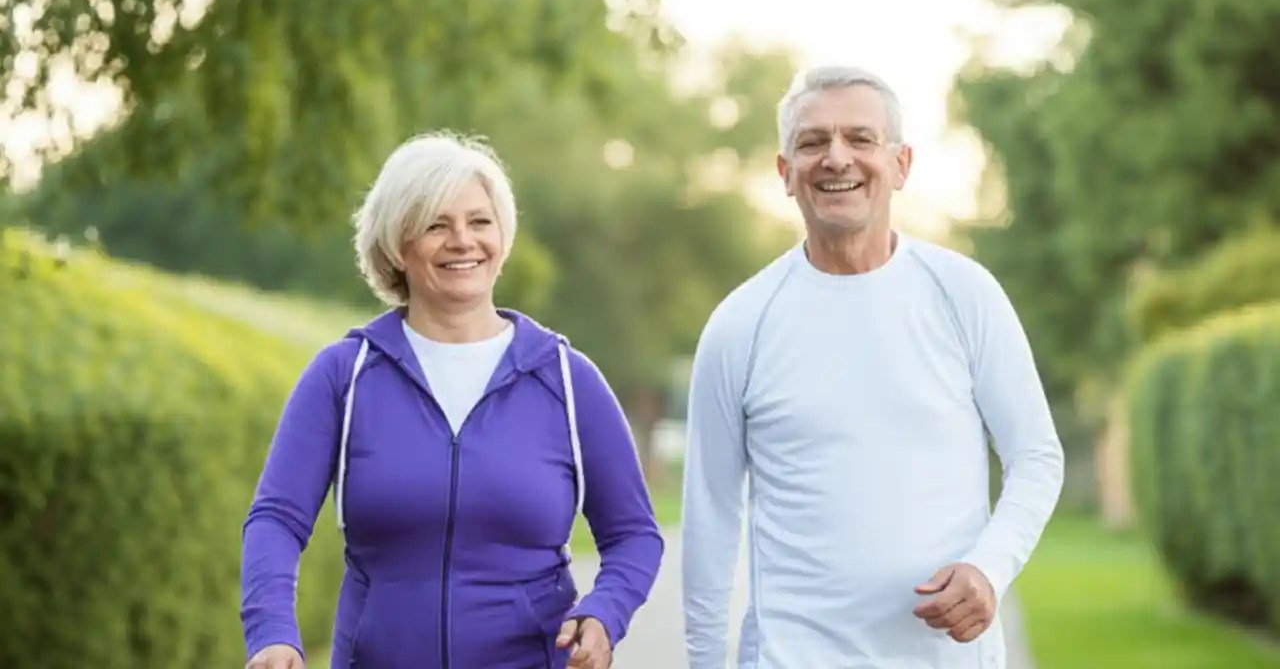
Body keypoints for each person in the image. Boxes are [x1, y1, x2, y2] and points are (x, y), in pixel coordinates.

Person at [680, 66, 1065, 668]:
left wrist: (989, 570)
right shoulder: (741, 325)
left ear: (901, 164)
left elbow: (1036, 456)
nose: (837, 159)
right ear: (785, 173)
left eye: (861, 139)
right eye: (812, 142)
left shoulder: (963, 294)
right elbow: (709, 517)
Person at [240, 132, 663, 669]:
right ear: (397, 245)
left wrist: (605, 613)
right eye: (436, 225)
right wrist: (272, 630)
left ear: (501, 237)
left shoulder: (567, 379)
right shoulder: (343, 376)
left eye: (479, 222)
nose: (463, 240)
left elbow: (633, 534)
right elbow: (276, 518)